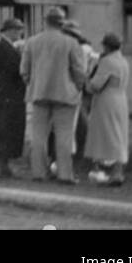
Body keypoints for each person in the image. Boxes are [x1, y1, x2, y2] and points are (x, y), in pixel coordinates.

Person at [20, 7, 86, 184]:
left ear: (45, 21)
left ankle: (39, 173)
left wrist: (32, 83)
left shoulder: (32, 42)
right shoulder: (71, 43)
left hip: (38, 94)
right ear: (61, 23)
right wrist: (77, 87)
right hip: (65, 95)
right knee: (64, 136)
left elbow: (24, 71)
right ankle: (65, 174)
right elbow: (79, 71)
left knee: (38, 136)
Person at [48, 19, 97, 171]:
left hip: (76, 92)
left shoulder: (82, 49)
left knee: (77, 127)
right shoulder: (67, 48)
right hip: (67, 91)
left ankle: (73, 160)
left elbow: (80, 71)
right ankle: (60, 160)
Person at [85, 33, 130, 186]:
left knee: (107, 135)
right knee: (118, 134)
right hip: (121, 99)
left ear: (107, 46)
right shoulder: (123, 61)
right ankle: (117, 170)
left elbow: (95, 85)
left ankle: (110, 172)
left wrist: (88, 78)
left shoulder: (107, 62)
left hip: (106, 100)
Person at [0, 18, 26, 178]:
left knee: (8, 130)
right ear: (9, 30)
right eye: (17, 29)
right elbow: (14, 69)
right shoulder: (3, 48)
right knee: (3, 130)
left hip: (9, 95)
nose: (20, 32)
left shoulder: (7, 47)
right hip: (7, 96)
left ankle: (3, 165)